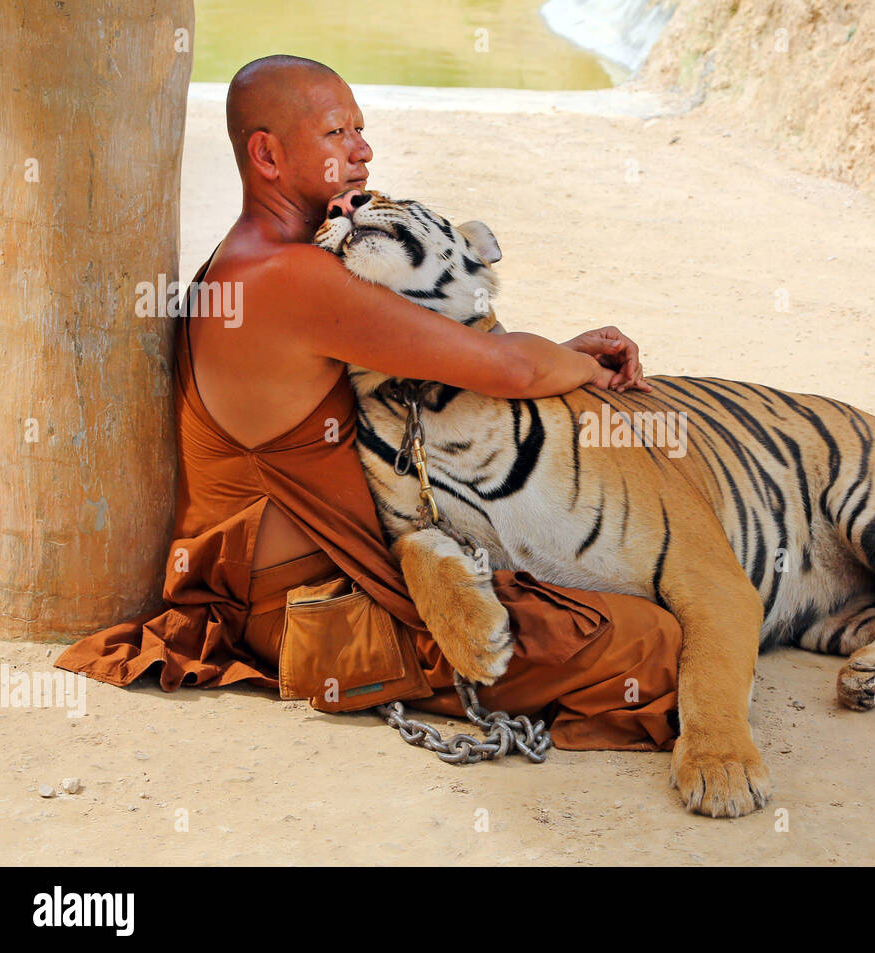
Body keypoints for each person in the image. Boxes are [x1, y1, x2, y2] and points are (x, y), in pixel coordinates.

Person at [56, 54, 683, 751]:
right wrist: (573, 366)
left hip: (320, 586)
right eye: (336, 134)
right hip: (311, 614)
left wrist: (557, 355)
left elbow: (453, 355)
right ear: (266, 153)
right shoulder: (286, 277)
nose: (363, 150)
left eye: (360, 128)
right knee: (648, 642)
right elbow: (505, 366)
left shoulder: (257, 258)